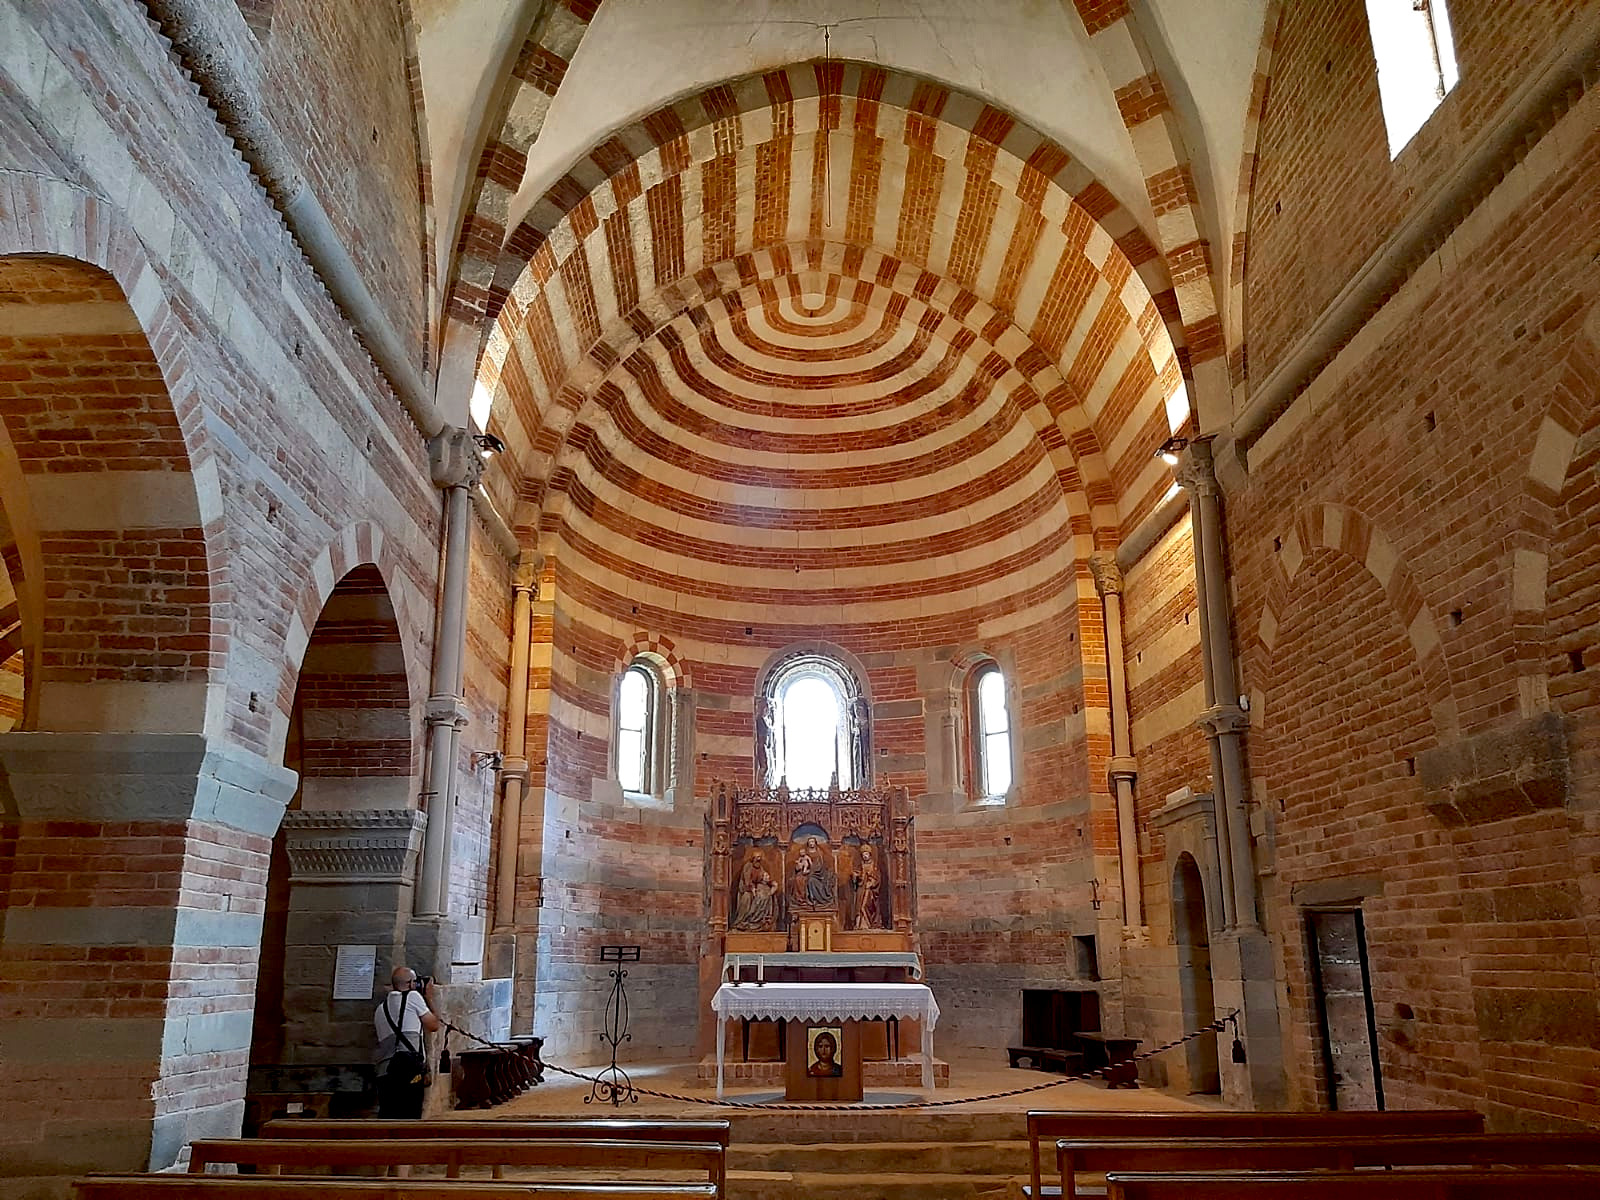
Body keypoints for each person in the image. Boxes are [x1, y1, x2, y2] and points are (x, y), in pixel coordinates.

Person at [374, 965, 441, 1118]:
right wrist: (429, 998)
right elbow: (434, 1025)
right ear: (411, 984)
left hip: (385, 1072)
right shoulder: (413, 997)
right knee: (410, 1118)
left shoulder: (380, 1009)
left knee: (389, 1118)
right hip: (407, 1071)